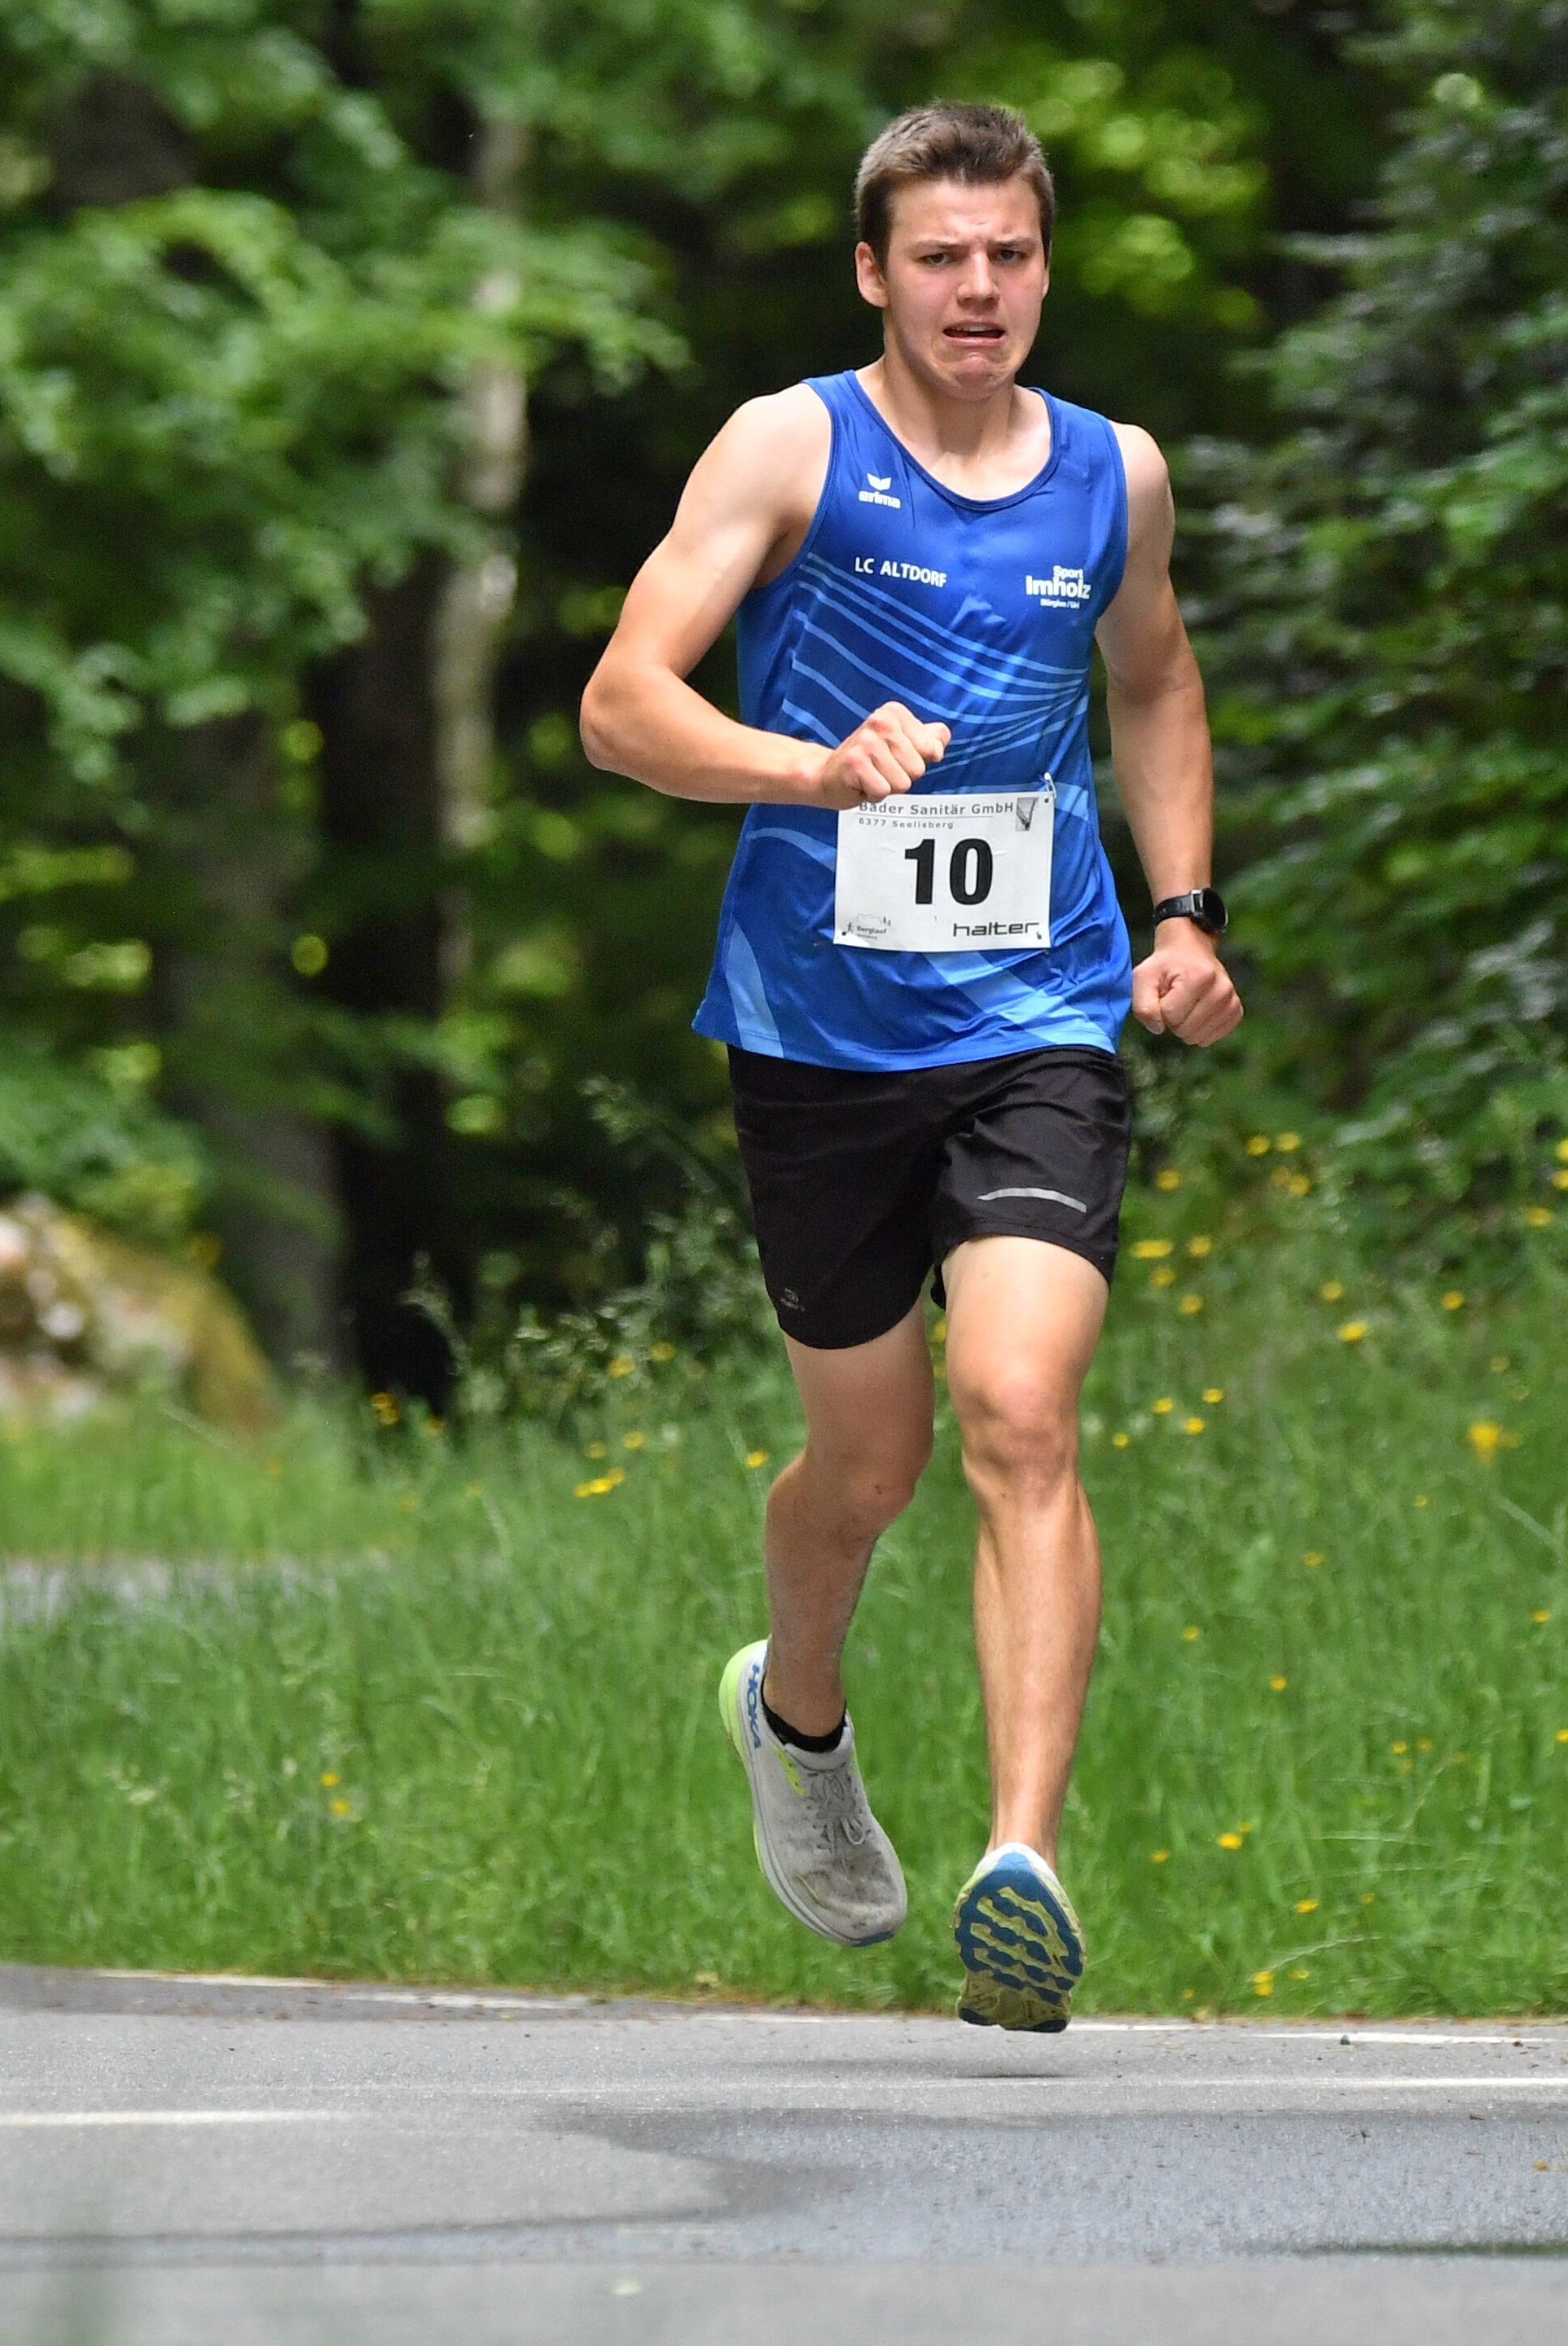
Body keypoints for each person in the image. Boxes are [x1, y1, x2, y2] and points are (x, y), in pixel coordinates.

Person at [577, 103, 1241, 2032]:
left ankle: (1019, 1867)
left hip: (1039, 1008)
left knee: (1021, 1406)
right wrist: (807, 768)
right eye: (941, 258)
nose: (979, 291)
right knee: (868, 1465)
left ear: (1047, 265)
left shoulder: (1116, 475)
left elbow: (1155, 678)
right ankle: (794, 1718)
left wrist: (1187, 914)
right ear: (875, 272)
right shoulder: (795, 446)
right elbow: (624, 705)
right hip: (816, 1031)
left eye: (1010, 257)